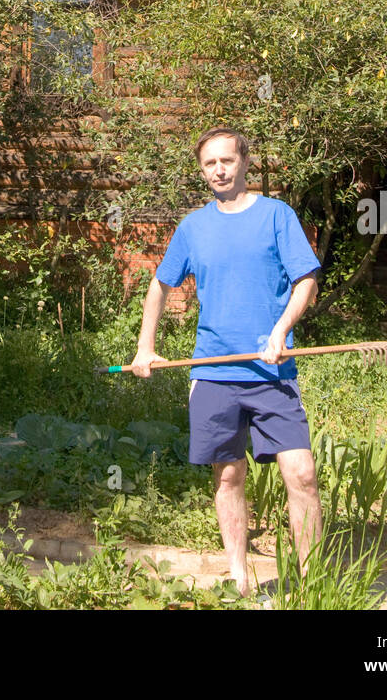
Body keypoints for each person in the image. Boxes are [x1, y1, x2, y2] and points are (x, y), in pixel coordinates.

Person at [131, 126, 323, 597]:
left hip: (271, 372)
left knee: (302, 473)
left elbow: (307, 281)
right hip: (214, 373)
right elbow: (160, 285)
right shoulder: (193, 227)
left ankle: (312, 587)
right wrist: (145, 346)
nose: (219, 170)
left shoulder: (277, 216)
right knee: (229, 474)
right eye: (209, 164)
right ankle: (237, 578)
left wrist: (280, 331)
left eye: (227, 161)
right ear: (202, 171)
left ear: (245, 164)